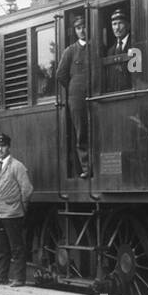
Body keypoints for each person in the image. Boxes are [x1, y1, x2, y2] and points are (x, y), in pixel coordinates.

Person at [0, 133, 34, 287]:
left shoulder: (17, 166)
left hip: (12, 213)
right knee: (2, 248)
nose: (0, 149)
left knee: (17, 247)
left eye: (3, 146)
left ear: (9, 147)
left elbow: (27, 189)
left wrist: (22, 207)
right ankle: (1, 276)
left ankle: (19, 279)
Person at [56, 14, 93, 178]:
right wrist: (73, 89)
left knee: (96, 130)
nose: (82, 30)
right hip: (77, 98)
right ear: (75, 31)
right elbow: (60, 74)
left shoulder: (96, 47)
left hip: (94, 94)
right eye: (79, 28)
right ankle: (86, 168)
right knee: (81, 131)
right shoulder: (70, 51)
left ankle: (97, 166)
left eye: (84, 26)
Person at [103, 8, 133, 93]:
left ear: (128, 25)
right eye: (114, 24)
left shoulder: (134, 45)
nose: (117, 28)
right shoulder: (110, 51)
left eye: (120, 23)